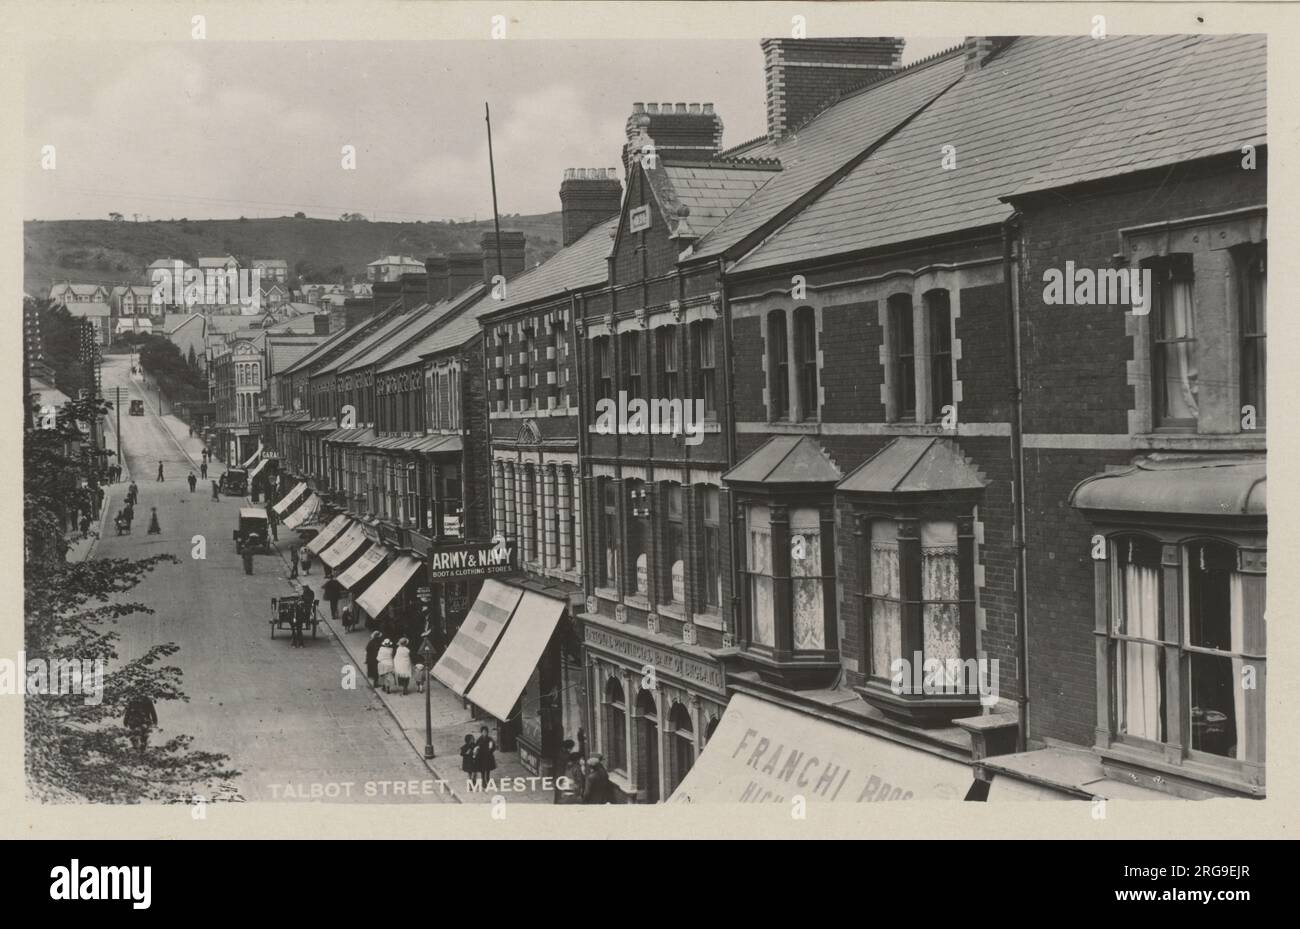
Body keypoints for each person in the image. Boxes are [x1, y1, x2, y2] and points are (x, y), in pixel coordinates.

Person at [555, 739, 586, 805]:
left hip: (559, 776)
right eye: (571, 747)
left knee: (559, 793)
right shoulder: (566, 757)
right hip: (563, 776)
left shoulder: (560, 752)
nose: (571, 749)